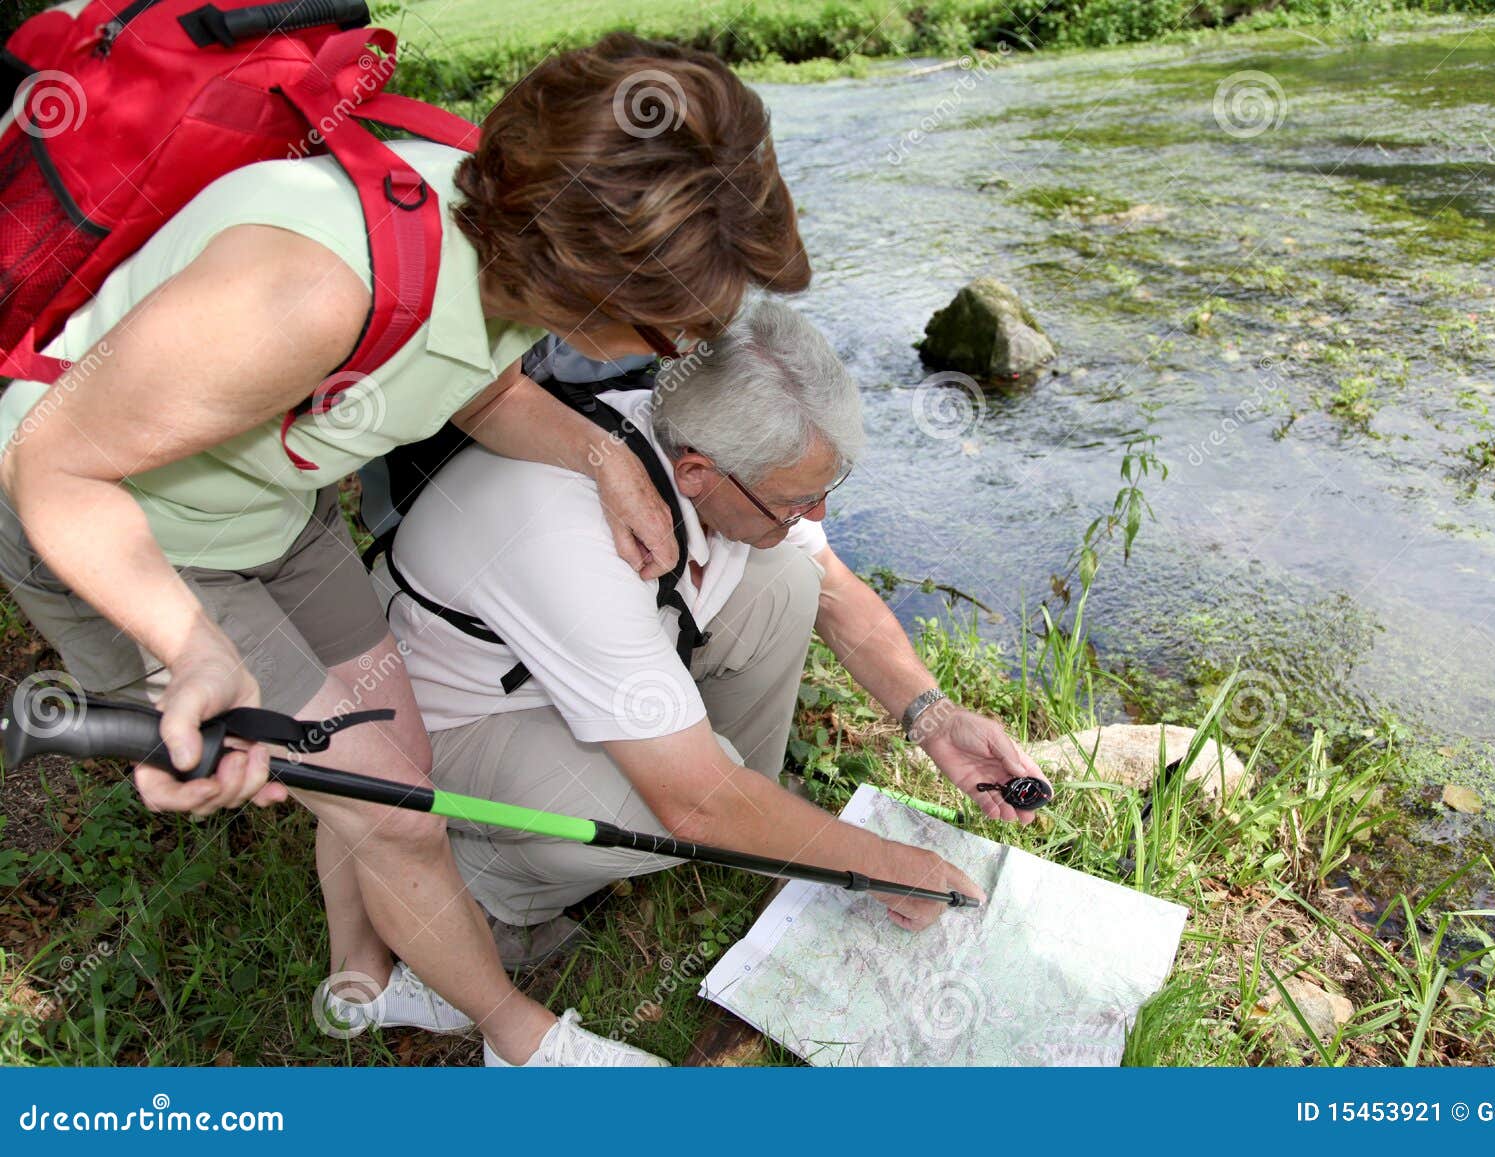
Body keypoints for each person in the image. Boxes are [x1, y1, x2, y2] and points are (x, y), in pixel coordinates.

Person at [0, 34, 808, 1067]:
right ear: (578, 277)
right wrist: (188, 647)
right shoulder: (308, 288)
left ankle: (370, 978)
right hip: (130, 534)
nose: (668, 351)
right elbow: (50, 460)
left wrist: (602, 455)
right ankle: (524, 1045)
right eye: (662, 323)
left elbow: (462, 372)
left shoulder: (500, 232)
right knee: (398, 816)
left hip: (267, 515)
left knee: (400, 766)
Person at [379, 300, 1043, 982]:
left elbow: (840, 594)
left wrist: (934, 716)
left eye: (823, 490)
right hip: (458, 723)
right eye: (795, 502)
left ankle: (752, 824)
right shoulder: (568, 536)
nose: (816, 515)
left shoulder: (710, 445)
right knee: (666, 808)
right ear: (697, 473)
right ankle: (489, 888)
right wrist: (887, 866)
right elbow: (692, 802)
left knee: (789, 577)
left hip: (569, 663)